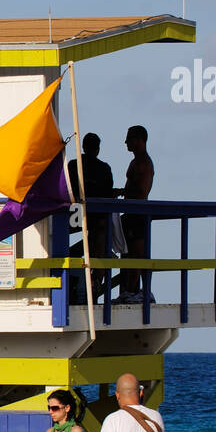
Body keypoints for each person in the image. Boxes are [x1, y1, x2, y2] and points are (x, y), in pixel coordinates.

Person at [67, 133, 116, 303]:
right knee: (99, 238)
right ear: (97, 149)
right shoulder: (103, 169)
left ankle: (88, 274)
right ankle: (96, 280)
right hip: (93, 218)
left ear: (84, 147)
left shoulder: (73, 166)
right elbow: (108, 194)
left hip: (73, 215)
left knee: (94, 238)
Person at [114, 125, 154, 302]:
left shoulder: (144, 163)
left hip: (138, 213)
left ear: (139, 140)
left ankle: (141, 291)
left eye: (129, 138)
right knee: (127, 253)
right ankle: (129, 290)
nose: (125, 142)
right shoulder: (135, 162)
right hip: (130, 213)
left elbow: (142, 192)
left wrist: (125, 194)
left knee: (138, 253)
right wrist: (121, 192)